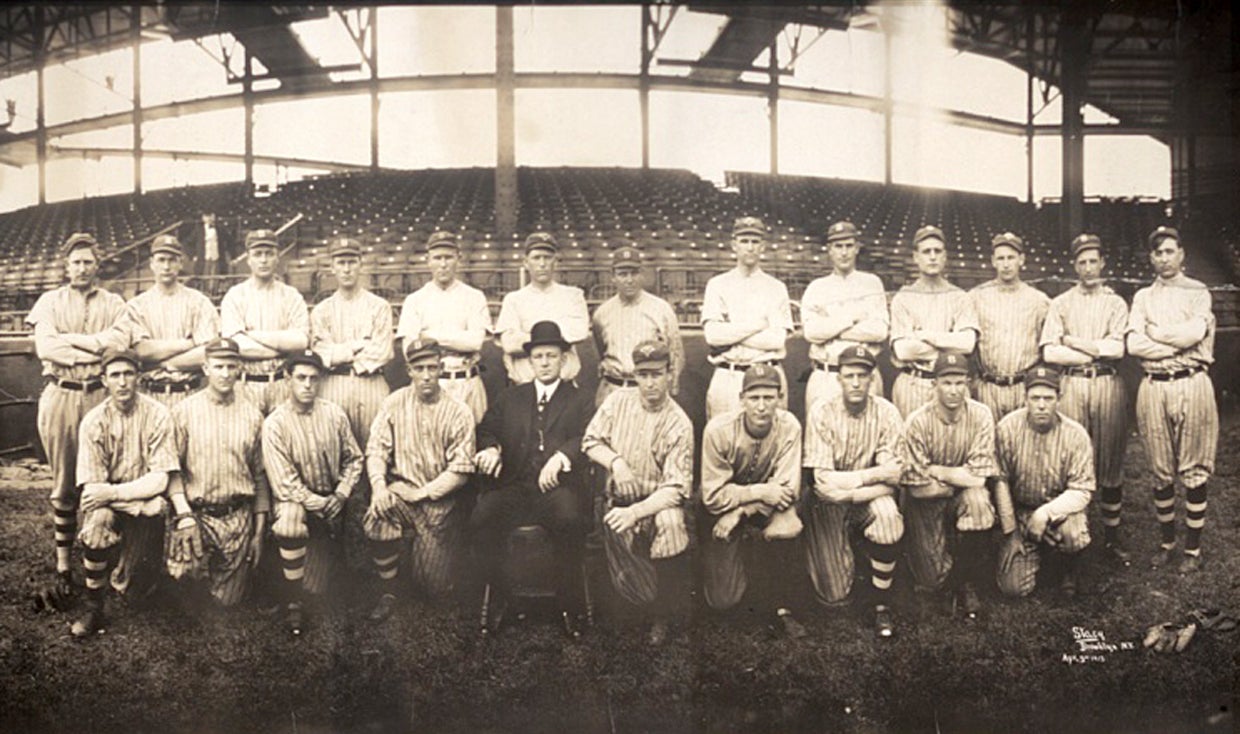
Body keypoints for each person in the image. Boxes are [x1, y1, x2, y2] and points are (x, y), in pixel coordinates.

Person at [471, 321, 594, 638]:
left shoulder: (578, 399)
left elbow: (590, 436)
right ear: (529, 360)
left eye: (551, 356)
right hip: (516, 486)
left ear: (563, 360)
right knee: (482, 518)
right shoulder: (513, 397)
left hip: (558, 489)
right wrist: (492, 449)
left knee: (569, 519)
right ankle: (502, 594)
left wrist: (563, 456)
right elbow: (487, 429)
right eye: (538, 356)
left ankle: (570, 603)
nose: (544, 362)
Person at [26, 232, 126, 600]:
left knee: (108, 478)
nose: (82, 268)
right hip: (63, 394)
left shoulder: (114, 301)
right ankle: (65, 564)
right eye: (76, 262)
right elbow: (46, 347)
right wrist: (96, 347)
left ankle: (106, 557)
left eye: (88, 262)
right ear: (66, 266)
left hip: (102, 396)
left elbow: (119, 346)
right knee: (65, 484)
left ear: (97, 266)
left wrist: (76, 342)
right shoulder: (49, 301)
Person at [582, 340, 693, 645]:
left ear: (670, 374)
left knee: (671, 524)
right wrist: (616, 462)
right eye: (643, 375)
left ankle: (663, 615)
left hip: (656, 505)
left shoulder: (679, 423)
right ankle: (635, 597)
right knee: (632, 594)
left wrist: (636, 512)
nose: (650, 383)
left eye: (656, 374)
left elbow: (676, 490)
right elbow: (590, 441)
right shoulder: (618, 401)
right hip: (619, 501)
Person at [1126, 226, 1219, 574]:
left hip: (1192, 382)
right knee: (1160, 468)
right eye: (1157, 252)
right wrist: (1175, 343)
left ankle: (1192, 549)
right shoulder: (1142, 297)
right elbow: (1134, 345)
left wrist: (1156, 335)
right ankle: (1167, 543)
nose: (1164, 258)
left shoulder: (1198, 292)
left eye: (1169, 251)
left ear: (1181, 254)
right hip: (1154, 385)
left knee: (1194, 468)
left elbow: (1195, 334)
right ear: (1151, 258)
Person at [363, 338, 475, 621]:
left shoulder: (458, 410)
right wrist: (378, 487)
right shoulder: (393, 402)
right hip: (401, 493)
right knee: (377, 514)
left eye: (432, 368)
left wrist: (423, 493)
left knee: (434, 590)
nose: (426, 375)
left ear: (440, 369)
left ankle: (419, 561)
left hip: (438, 505)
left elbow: (461, 470)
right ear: (409, 370)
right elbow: (376, 450)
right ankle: (388, 589)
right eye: (419, 368)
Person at [71, 348, 176, 637]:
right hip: (123, 504)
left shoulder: (158, 414)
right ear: (104, 380)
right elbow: (92, 490)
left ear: (139, 377)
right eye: (114, 375)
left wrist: (117, 495)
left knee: (135, 593)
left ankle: (131, 573)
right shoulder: (93, 420)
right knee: (98, 522)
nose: (122, 382)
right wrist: (135, 503)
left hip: (139, 499)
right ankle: (95, 607)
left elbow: (160, 480)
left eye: (128, 374)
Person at [802, 346, 904, 638]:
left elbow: (893, 478)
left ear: (872, 379)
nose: (856, 382)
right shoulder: (822, 410)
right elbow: (821, 480)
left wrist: (850, 491)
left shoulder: (887, 412)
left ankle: (880, 605)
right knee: (834, 596)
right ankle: (855, 557)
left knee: (888, 517)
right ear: (839, 378)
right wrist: (871, 476)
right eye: (850, 376)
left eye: (863, 375)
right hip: (827, 505)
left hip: (860, 499)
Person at [699, 364, 808, 639]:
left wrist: (743, 510)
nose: (761, 406)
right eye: (754, 398)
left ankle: (782, 607)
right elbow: (712, 497)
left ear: (779, 399)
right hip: (721, 511)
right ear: (741, 400)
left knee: (788, 525)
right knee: (722, 600)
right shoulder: (718, 430)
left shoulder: (789, 426)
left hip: (762, 509)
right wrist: (758, 492)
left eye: (769, 398)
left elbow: (786, 492)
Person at [1040, 233, 1130, 562]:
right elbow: (1050, 350)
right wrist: (1094, 351)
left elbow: (1117, 349)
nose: (1088, 267)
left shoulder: (1116, 302)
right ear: (1074, 265)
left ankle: (1112, 536)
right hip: (1073, 384)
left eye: (1094, 260)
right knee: (1072, 457)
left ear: (1103, 262)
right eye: (1082, 262)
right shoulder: (1061, 302)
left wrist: (1076, 342)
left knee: (1109, 460)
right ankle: (1074, 530)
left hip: (1107, 383)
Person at [263, 349, 364, 635]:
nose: (308, 385)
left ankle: (322, 567)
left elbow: (355, 459)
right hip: (296, 501)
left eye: (313, 379)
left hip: (332, 500)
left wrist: (341, 493)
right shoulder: (275, 423)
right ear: (287, 379)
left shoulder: (334, 413)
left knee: (317, 588)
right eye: (301, 378)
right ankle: (292, 600)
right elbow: (284, 482)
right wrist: (318, 503)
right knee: (290, 522)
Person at [165, 337, 270, 607]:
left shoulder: (252, 414)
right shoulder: (183, 412)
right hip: (197, 514)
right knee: (182, 575)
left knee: (227, 602)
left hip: (237, 515)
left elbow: (260, 477)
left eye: (231, 366)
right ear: (205, 369)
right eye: (219, 366)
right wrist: (183, 516)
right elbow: (172, 470)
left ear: (239, 369)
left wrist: (258, 534)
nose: (225, 373)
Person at [901, 351, 998, 620]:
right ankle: (944, 576)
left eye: (959, 383)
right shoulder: (917, 421)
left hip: (958, 494)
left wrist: (935, 471)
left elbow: (978, 477)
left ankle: (964, 583)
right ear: (934, 384)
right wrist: (956, 480)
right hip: (926, 502)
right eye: (946, 382)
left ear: (967, 383)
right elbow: (917, 487)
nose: (954, 390)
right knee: (931, 581)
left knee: (978, 500)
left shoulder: (981, 415)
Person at [994, 366, 1095, 598]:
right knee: (1013, 588)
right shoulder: (1007, 428)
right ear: (1025, 398)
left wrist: (1045, 514)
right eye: (1035, 398)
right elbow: (999, 481)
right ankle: (1036, 551)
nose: (1041, 405)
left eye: (1048, 398)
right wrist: (1011, 533)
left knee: (1074, 533)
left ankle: (1067, 566)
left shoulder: (1076, 434)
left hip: (1058, 512)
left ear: (1059, 399)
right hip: (1021, 512)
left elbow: (1081, 490)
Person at [700, 216, 793, 421]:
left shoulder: (776, 287)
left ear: (763, 246)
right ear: (734, 245)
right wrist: (759, 325)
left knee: (771, 445)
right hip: (729, 375)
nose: (750, 247)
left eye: (755, 241)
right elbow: (713, 336)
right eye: (744, 241)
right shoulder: (717, 284)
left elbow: (776, 340)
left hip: (768, 374)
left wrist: (732, 332)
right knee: (724, 442)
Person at [396, 230, 492, 423]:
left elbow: (475, 342)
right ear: (428, 260)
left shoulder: (474, 296)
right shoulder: (415, 300)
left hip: (468, 381)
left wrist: (432, 337)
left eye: (448, 257)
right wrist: (458, 339)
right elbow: (410, 350)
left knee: (474, 441)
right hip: (431, 383)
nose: (443, 264)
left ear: (459, 258)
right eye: (437, 257)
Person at [310, 236, 394, 447]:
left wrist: (339, 353)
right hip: (333, 385)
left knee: (376, 449)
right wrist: (357, 346)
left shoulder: (380, 306)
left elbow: (382, 351)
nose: (346, 269)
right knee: (333, 448)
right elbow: (322, 354)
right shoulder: (321, 310)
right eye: (341, 262)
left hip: (371, 383)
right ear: (332, 267)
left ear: (360, 264)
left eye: (351, 262)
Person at [118, 233, 219, 407]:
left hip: (190, 394)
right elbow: (141, 351)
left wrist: (165, 363)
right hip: (149, 395)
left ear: (180, 263)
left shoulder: (199, 301)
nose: (166, 266)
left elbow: (207, 353)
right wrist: (189, 344)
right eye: (161, 260)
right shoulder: (136, 305)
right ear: (152, 264)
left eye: (172, 260)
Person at [888, 226, 978, 418]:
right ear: (915, 257)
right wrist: (948, 344)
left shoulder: (960, 297)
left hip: (951, 383)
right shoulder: (903, 298)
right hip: (913, 383)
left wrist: (925, 336)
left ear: (945, 256)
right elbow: (903, 350)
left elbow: (967, 344)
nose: (932, 257)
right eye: (926, 251)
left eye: (937, 251)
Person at [800, 221, 889, 413]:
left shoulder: (872, 283)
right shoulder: (816, 287)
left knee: (869, 436)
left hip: (865, 377)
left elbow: (879, 331)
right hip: (826, 374)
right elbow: (812, 333)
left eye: (849, 246)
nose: (844, 252)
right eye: (838, 246)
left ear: (857, 248)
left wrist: (831, 328)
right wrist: (852, 318)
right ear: (829, 250)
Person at [220, 229, 310, 414]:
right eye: (257, 254)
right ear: (248, 259)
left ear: (277, 257)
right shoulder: (235, 295)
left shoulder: (291, 296)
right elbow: (236, 346)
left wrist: (251, 334)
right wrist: (281, 347)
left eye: (269, 254)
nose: (263, 260)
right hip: (245, 384)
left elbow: (300, 342)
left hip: (282, 385)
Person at [968, 233, 1051, 421]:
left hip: (1024, 386)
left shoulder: (1039, 300)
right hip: (988, 385)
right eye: (1001, 258)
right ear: (993, 261)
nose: (1006, 264)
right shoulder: (976, 297)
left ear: (1021, 260)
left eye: (1011, 258)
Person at [590, 246, 684, 408]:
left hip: (647, 391)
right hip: (613, 388)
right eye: (622, 274)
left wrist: (669, 389)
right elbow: (600, 352)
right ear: (613, 276)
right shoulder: (602, 313)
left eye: (634, 273)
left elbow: (675, 352)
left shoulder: (661, 309)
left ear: (642, 274)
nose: (629, 280)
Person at [494, 232, 590, 385]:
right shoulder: (513, 299)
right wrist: (556, 336)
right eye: (536, 258)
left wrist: (526, 337)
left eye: (547, 257)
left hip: (564, 386)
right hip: (524, 385)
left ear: (556, 262)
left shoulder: (573, 296)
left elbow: (578, 332)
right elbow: (509, 344)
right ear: (526, 262)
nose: (542, 263)